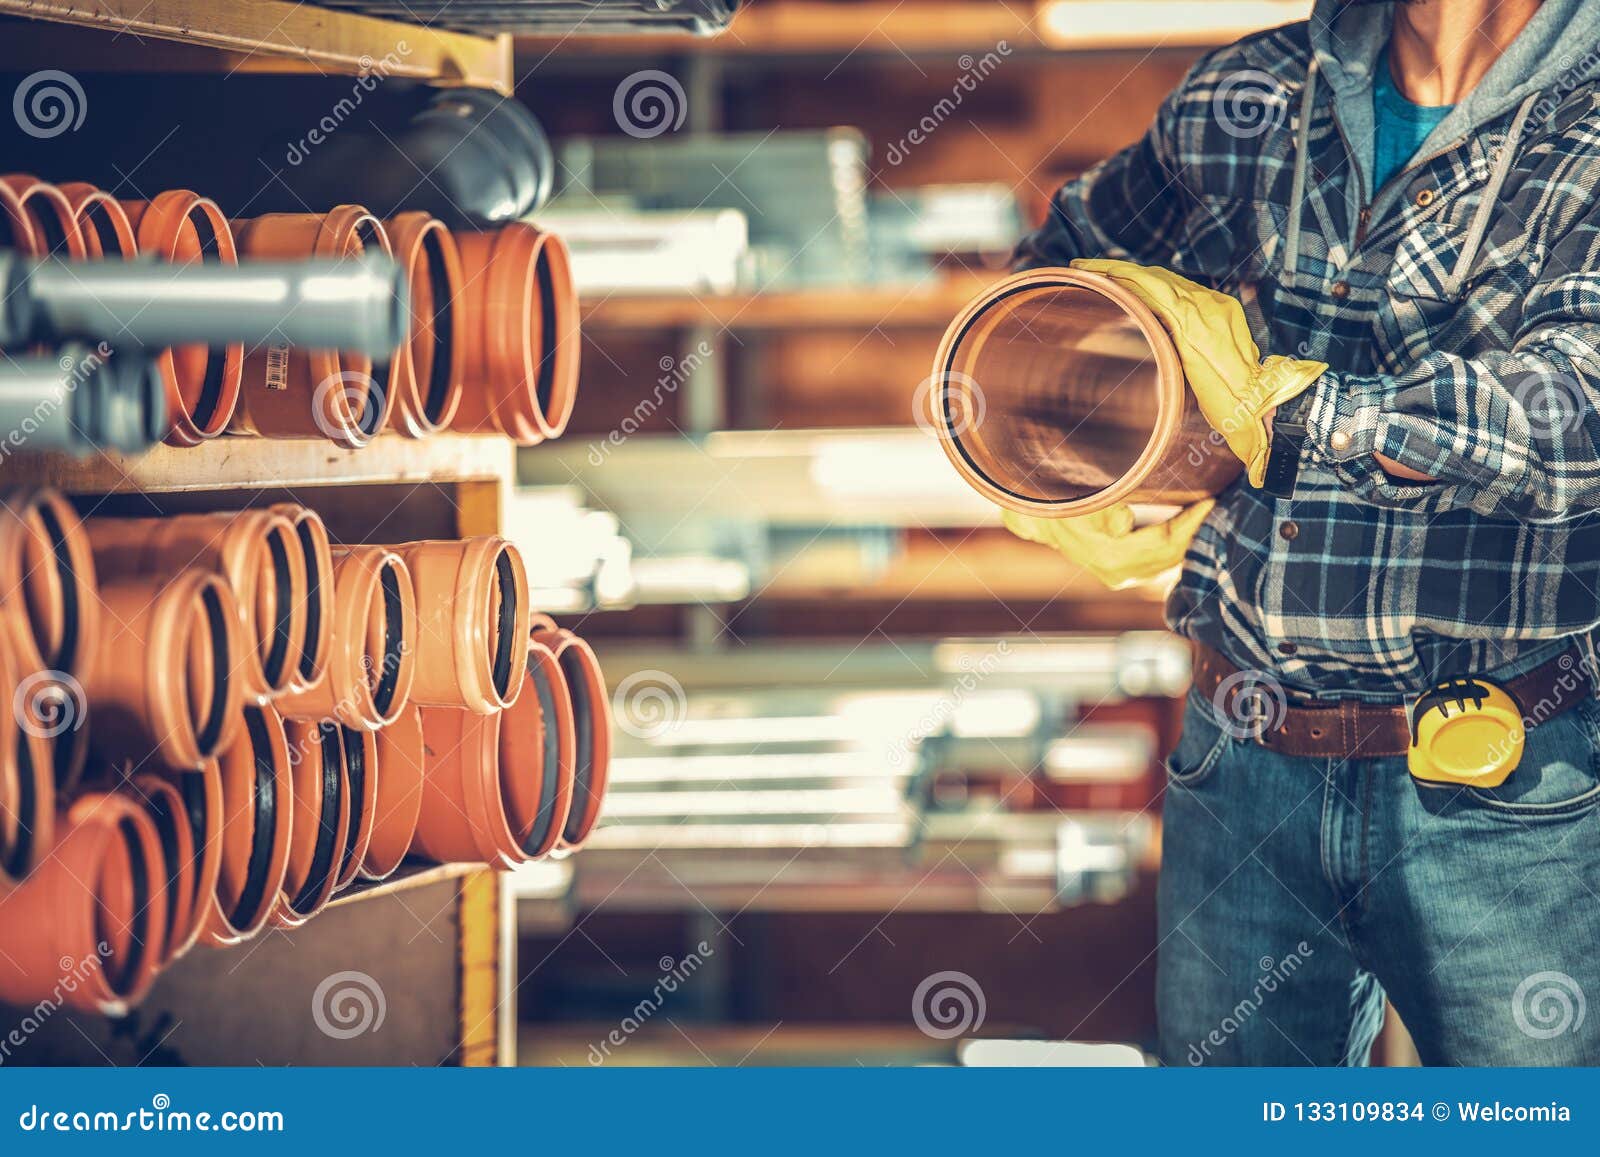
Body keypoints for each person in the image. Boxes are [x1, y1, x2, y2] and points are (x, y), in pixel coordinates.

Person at [1009, 0, 1600, 1065]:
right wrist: (1109, 425)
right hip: (1242, 763)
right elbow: (1057, 275)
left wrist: (1295, 412)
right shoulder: (1250, 93)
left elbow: (1570, 418)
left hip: (1507, 783)